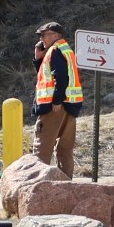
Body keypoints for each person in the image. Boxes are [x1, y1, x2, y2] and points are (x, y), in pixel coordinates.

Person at [31, 20, 83, 177]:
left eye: (44, 35)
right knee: (65, 150)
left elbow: (61, 77)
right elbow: (50, 74)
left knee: (42, 148)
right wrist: (38, 58)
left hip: (54, 108)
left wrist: (57, 101)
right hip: (70, 106)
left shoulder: (55, 51)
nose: (41, 39)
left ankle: (38, 185)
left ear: (55, 35)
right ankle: (66, 184)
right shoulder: (64, 49)